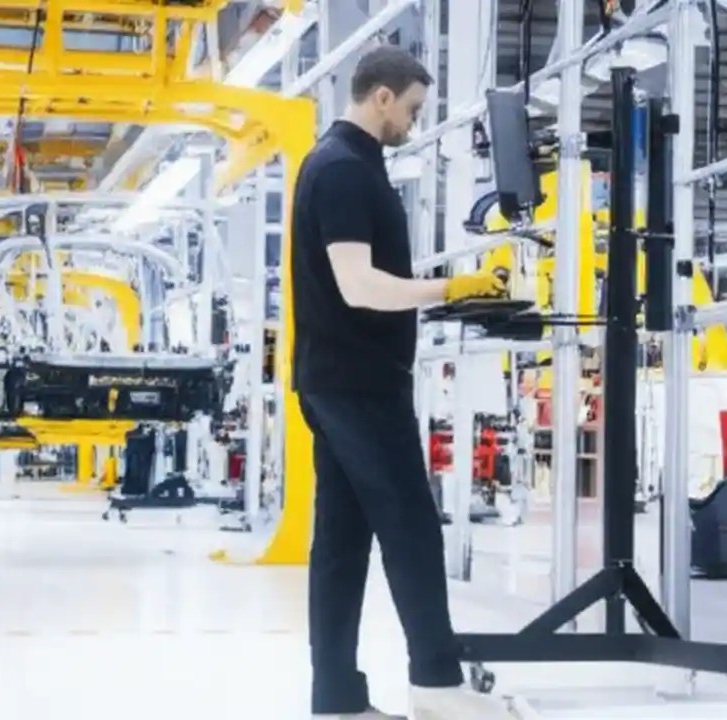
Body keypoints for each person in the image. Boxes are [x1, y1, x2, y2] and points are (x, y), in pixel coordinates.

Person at [291, 45, 520, 720]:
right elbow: (358, 286)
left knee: (341, 546)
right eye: (413, 109)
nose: (415, 122)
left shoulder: (348, 164)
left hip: (339, 380)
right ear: (382, 97)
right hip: (359, 384)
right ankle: (437, 686)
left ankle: (336, 698)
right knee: (412, 527)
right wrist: (451, 288)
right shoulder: (342, 170)